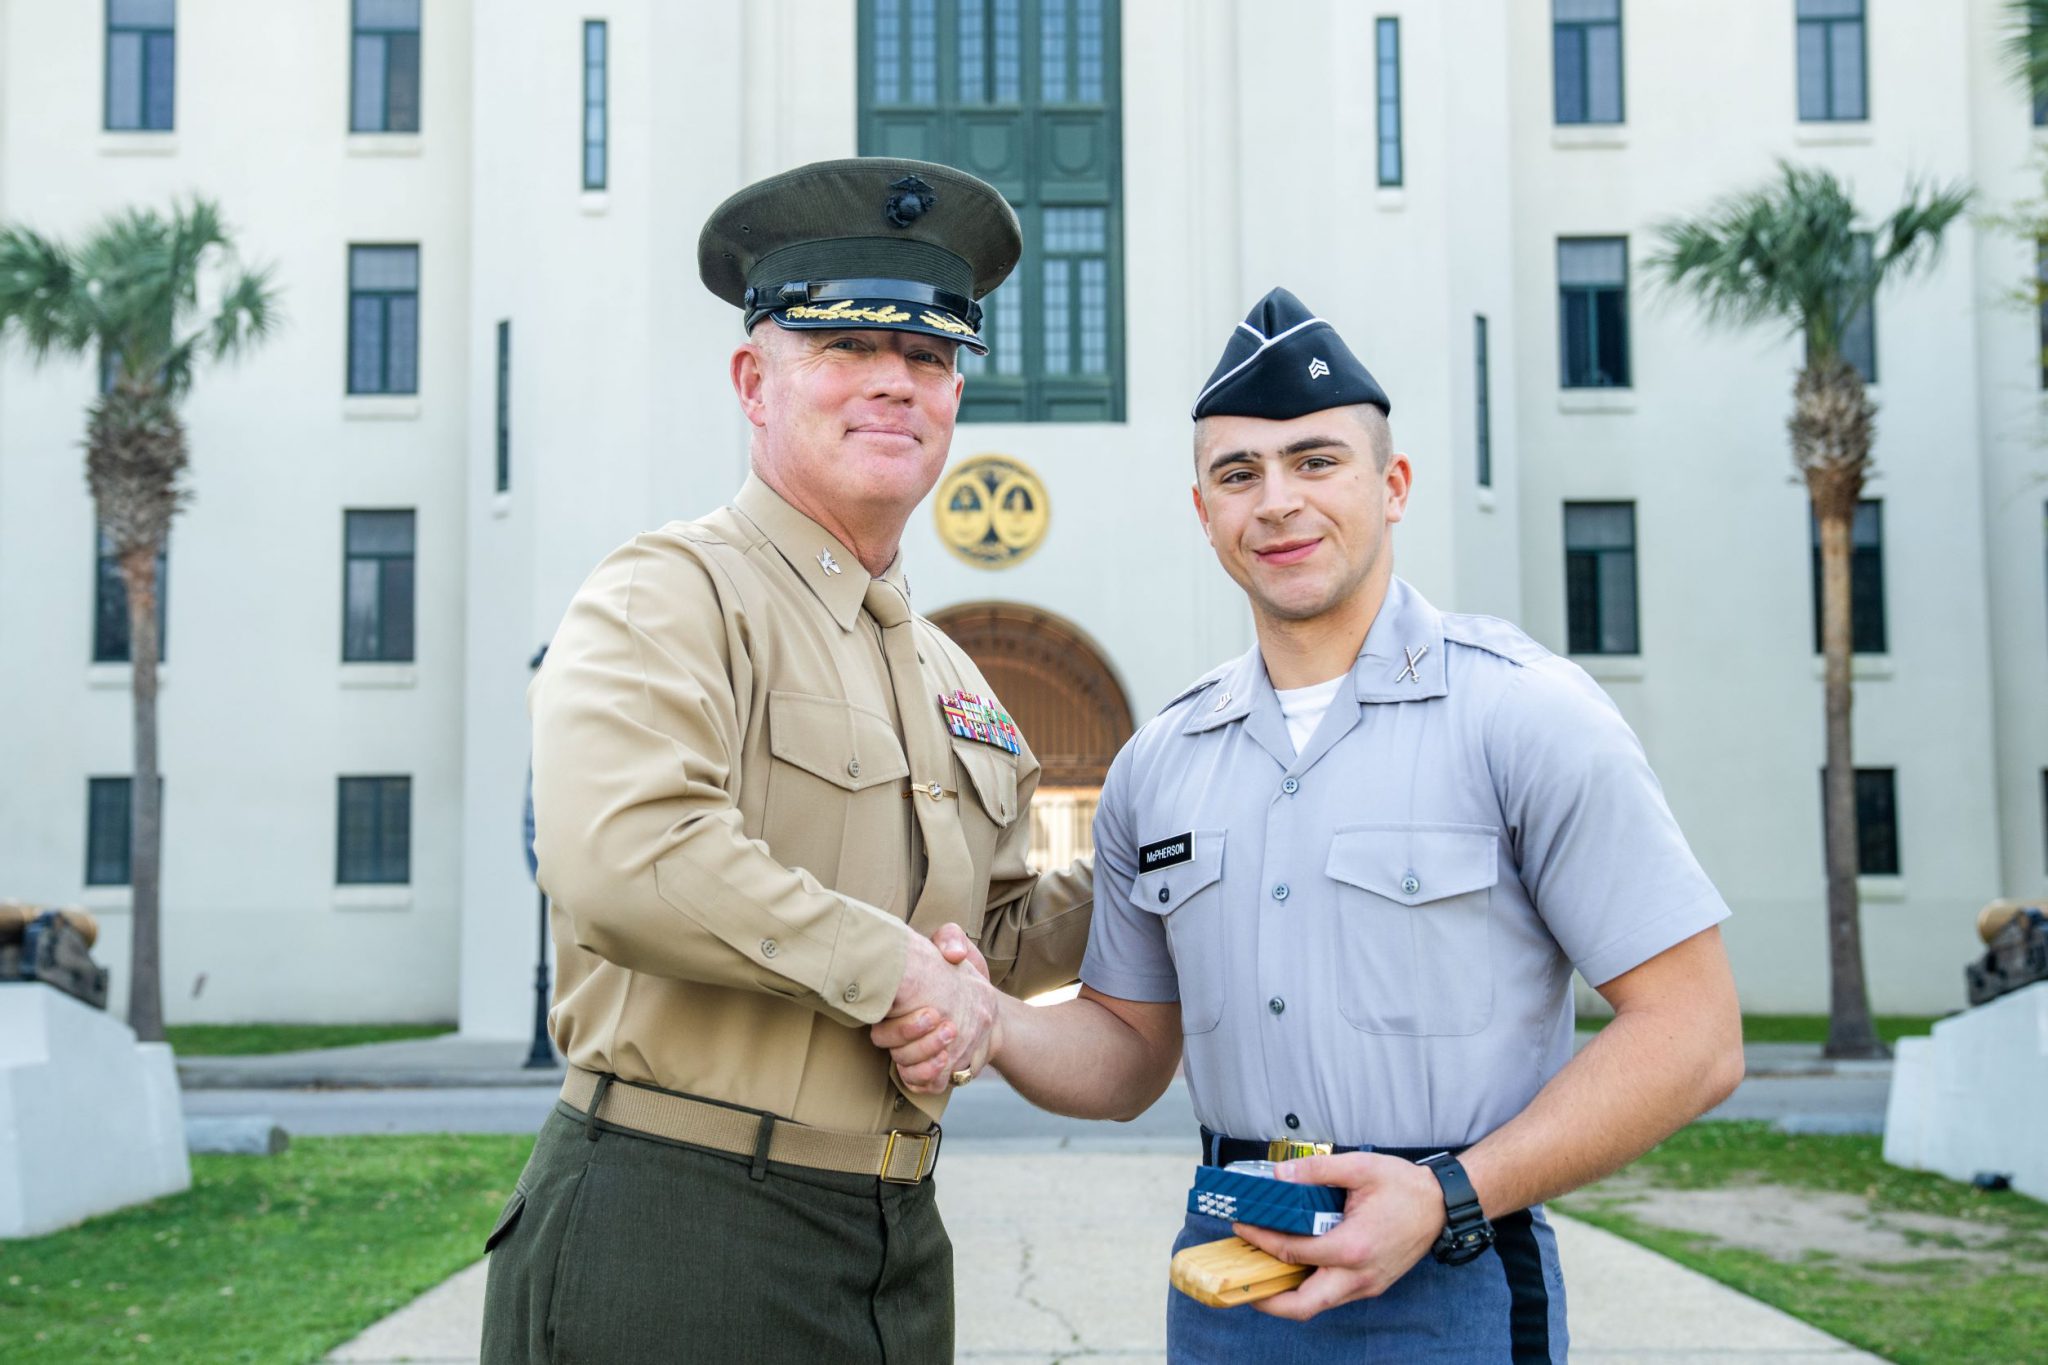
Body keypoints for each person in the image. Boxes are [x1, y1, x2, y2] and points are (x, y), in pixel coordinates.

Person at [882, 287, 1745, 1361]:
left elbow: (1694, 1035)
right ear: (1203, 514)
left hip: (1451, 1275)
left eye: (1315, 461)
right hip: (1224, 1276)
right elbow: (1125, 1054)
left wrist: (1447, 1196)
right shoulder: (1162, 762)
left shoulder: (1525, 715)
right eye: (1237, 474)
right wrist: (993, 1022)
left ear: (1391, 486)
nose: (1276, 502)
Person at [481, 157, 1093, 1365]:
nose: (892, 383)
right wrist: (905, 978)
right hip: (680, 1221)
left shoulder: (956, 680)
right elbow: (625, 859)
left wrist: (1171, 850)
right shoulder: (669, 595)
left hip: (895, 1240)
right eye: (843, 345)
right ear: (751, 380)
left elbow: (996, 948)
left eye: (926, 357)